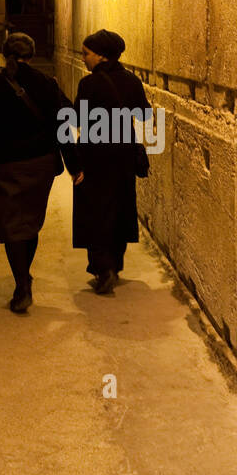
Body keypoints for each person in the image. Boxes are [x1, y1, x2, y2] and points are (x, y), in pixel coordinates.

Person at [0, 32, 82, 313]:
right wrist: (74, 164)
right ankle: (24, 277)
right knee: (29, 223)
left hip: (4, 166)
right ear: (31, 54)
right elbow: (63, 124)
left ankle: (21, 283)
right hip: (39, 165)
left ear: (4, 55)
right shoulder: (46, 84)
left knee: (11, 226)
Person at [72, 29, 149, 295]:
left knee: (95, 210)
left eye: (86, 53)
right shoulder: (132, 81)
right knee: (120, 206)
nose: (83, 58)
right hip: (123, 154)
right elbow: (145, 115)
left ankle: (102, 267)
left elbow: (78, 120)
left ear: (101, 56)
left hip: (94, 155)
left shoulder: (89, 84)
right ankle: (115, 264)